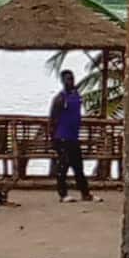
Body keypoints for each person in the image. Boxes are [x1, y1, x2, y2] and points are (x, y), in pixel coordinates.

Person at [49, 70, 101, 204]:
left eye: (71, 79)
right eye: (67, 79)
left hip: (73, 137)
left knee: (78, 167)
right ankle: (63, 194)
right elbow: (53, 120)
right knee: (63, 166)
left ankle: (85, 193)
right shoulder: (60, 99)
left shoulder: (76, 96)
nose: (70, 82)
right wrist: (53, 139)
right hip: (62, 137)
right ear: (62, 81)